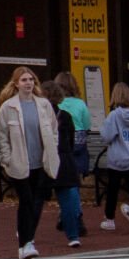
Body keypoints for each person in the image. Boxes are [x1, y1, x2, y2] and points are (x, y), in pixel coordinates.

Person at [0, 65, 60, 259]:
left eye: (31, 79)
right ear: (16, 83)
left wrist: (52, 150)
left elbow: (53, 130)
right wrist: (7, 158)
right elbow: (1, 135)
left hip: (40, 162)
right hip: (19, 163)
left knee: (37, 201)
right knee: (26, 200)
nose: (28, 83)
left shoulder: (44, 105)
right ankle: (25, 243)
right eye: (24, 80)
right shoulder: (8, 107)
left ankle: (27, 238)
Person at [98, 82, 129, 234]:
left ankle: (110, 219)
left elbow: (106, 136)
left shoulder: (114, 115)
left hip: (117, 158)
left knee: (112, 189)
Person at [42, 82, 83, 247]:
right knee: (67, 200)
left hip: (45, 158)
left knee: (35, 199)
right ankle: (73, 235)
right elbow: (71, 140)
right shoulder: (65, 115)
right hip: (64, 158)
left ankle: (27, 234)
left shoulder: (40, 115)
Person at [53, 71, 92, 239]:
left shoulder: (57, 105)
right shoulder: (80, 104)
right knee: (74, 184)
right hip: (79, 144)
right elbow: (87, 125)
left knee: (66, 185)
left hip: (62, 145)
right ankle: (73, 214)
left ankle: (70, 214)